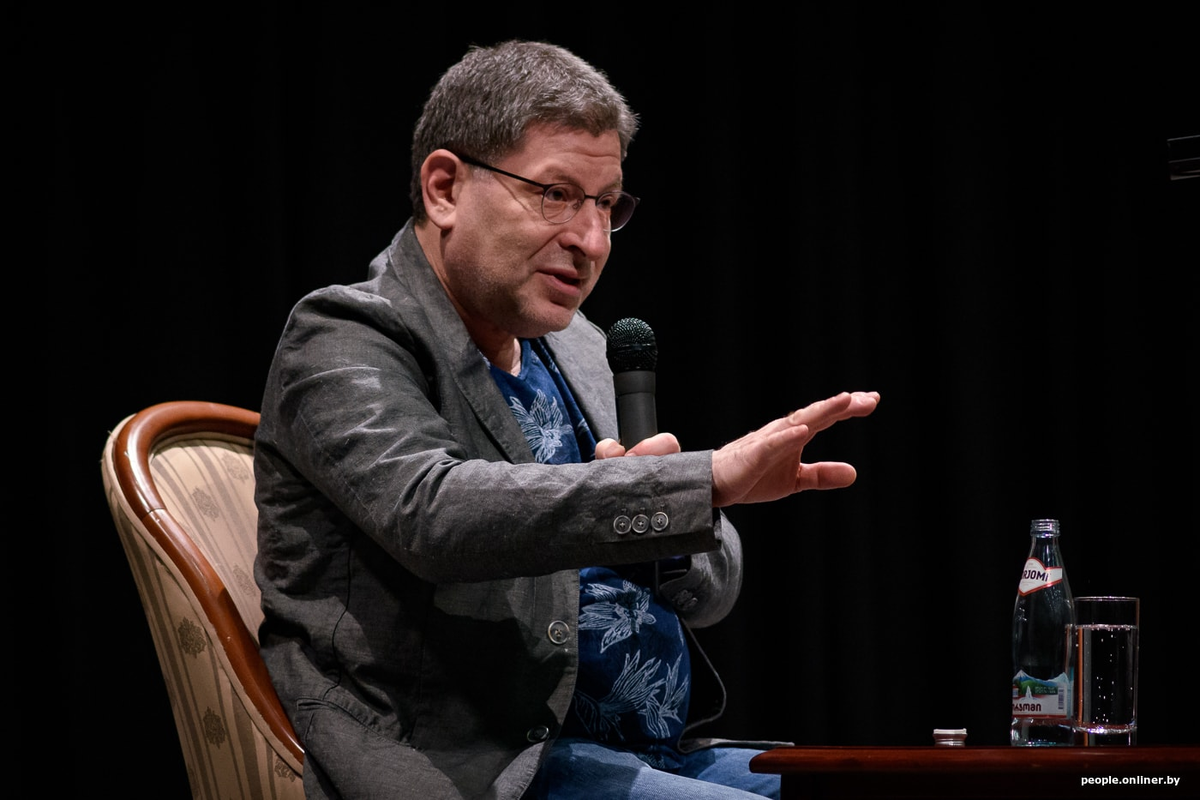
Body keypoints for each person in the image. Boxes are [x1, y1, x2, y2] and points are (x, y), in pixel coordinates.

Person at [254, 39, 879, 800]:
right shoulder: (345, 336)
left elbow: (713, 594)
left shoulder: (578, 348)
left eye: (606, 205)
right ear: (445, 187)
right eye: (555, 194)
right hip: (491, 766)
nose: (589, 241)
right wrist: (695, 482)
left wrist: (666, 516)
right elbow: (434, 514)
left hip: (657, 751)